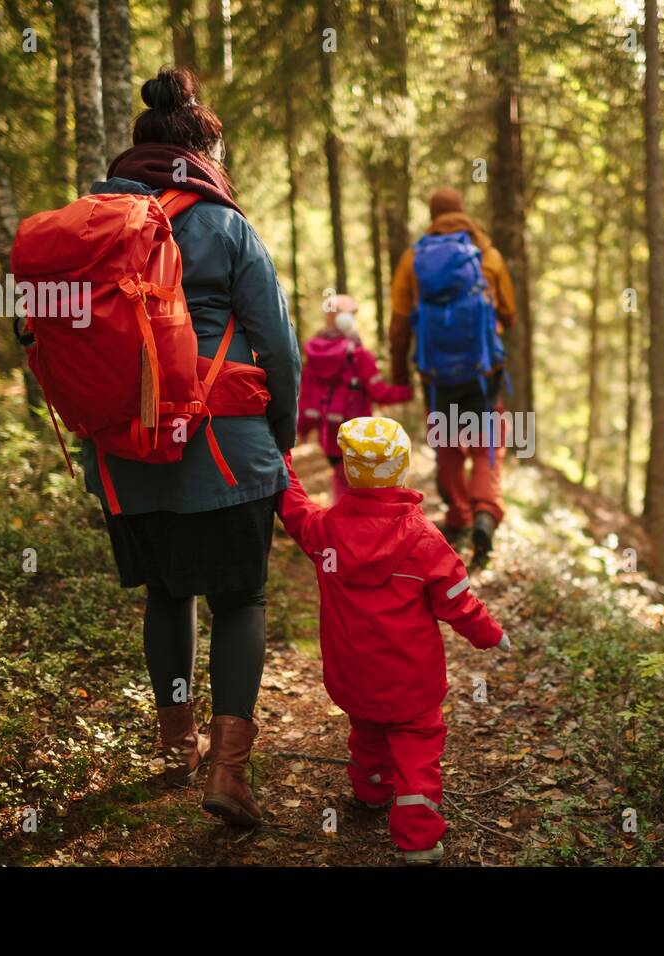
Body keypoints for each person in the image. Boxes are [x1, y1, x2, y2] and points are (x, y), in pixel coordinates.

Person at [83, 67, 300, 826]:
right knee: (239, 599)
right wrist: (279, 443)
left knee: (167, 594)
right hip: (225, 448)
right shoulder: (226, 225)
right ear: (203, 150)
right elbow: (279, 347)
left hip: (124, 449)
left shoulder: (91, 218)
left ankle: (173, 748)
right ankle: (227, 775)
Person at [275, 417, 510, 865]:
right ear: (401, 470)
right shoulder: (425, 541)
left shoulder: (326, 531)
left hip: (352, 674)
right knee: (416, 750)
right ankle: (418, 839)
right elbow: (458, 602)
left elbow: (293, 508)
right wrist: (490, 634)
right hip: (411, 682)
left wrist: (282, 459)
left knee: (366, 728)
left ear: (347, 471)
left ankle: (369, 791)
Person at [389, 187, 517, 566]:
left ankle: (459, 514)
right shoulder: (486, 255)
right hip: (483, 371)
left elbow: (399, 324)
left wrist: (400, 376)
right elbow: (507, 312)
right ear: (463, 213)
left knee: (447, 443)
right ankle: (485, 512)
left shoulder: (413, 258)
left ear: (432, 217)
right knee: (486, 443)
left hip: (436, 375)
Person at [297, 294, 410, 499]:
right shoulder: (359, 355)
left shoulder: (314, 355)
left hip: (329, 437)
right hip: (359, 436)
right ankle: (350, 526)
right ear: (346, 321)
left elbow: (307, 396)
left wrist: (302, 429)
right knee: (358, 490)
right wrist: (407, 391)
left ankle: (342, 522)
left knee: (341, 480)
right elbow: (380, 394)